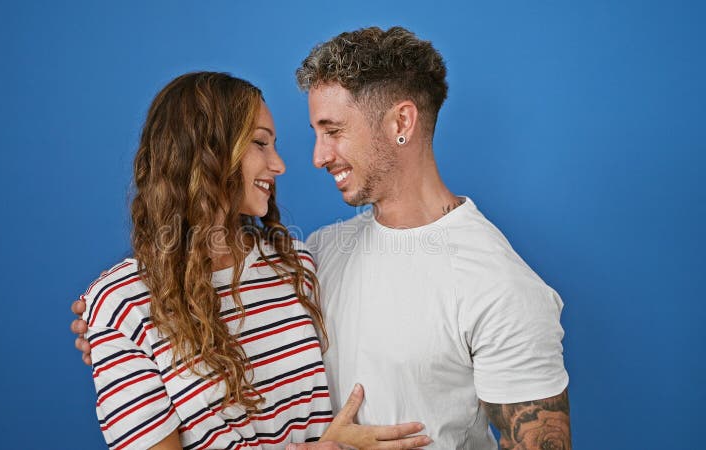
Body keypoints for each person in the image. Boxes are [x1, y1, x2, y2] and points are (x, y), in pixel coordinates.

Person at [73, 26, 571, 449]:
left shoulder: (501, 287)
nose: (313, 158)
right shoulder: (319, 256)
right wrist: (121, 323)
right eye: (313, 132)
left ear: (401, 122)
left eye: (332, 130)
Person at [73, 71, 429, 450]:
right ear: (205, 151)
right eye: (260, 143)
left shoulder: (296, 267)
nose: (279, 165)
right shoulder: (121, 306)